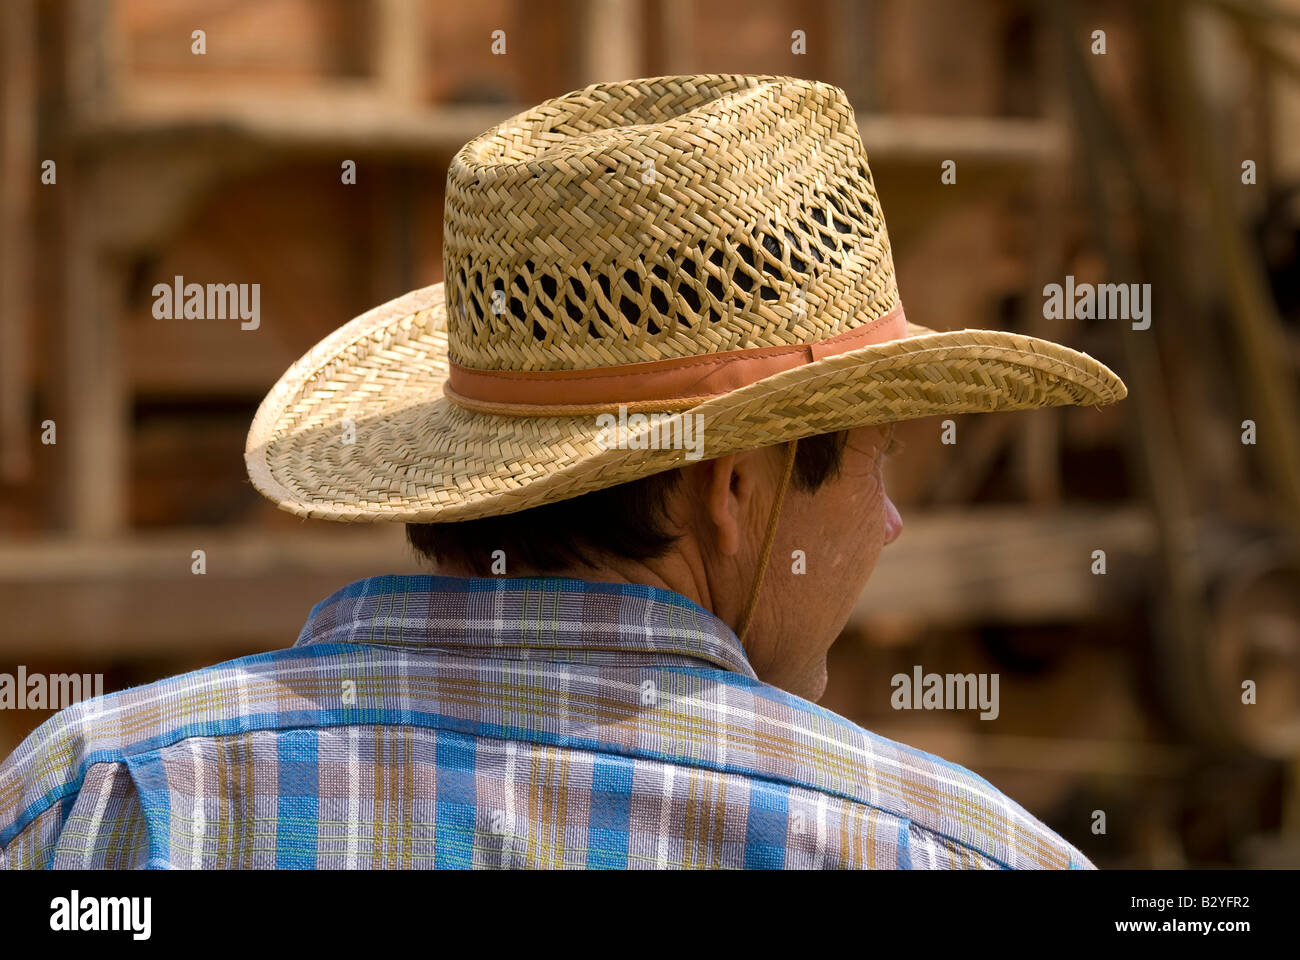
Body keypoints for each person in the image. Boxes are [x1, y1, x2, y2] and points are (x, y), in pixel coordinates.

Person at [0, 74, 1124, 869]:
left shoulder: (103, 802)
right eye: (874, 467)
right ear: (732, 492)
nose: (886, 526)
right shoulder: (940, 851)